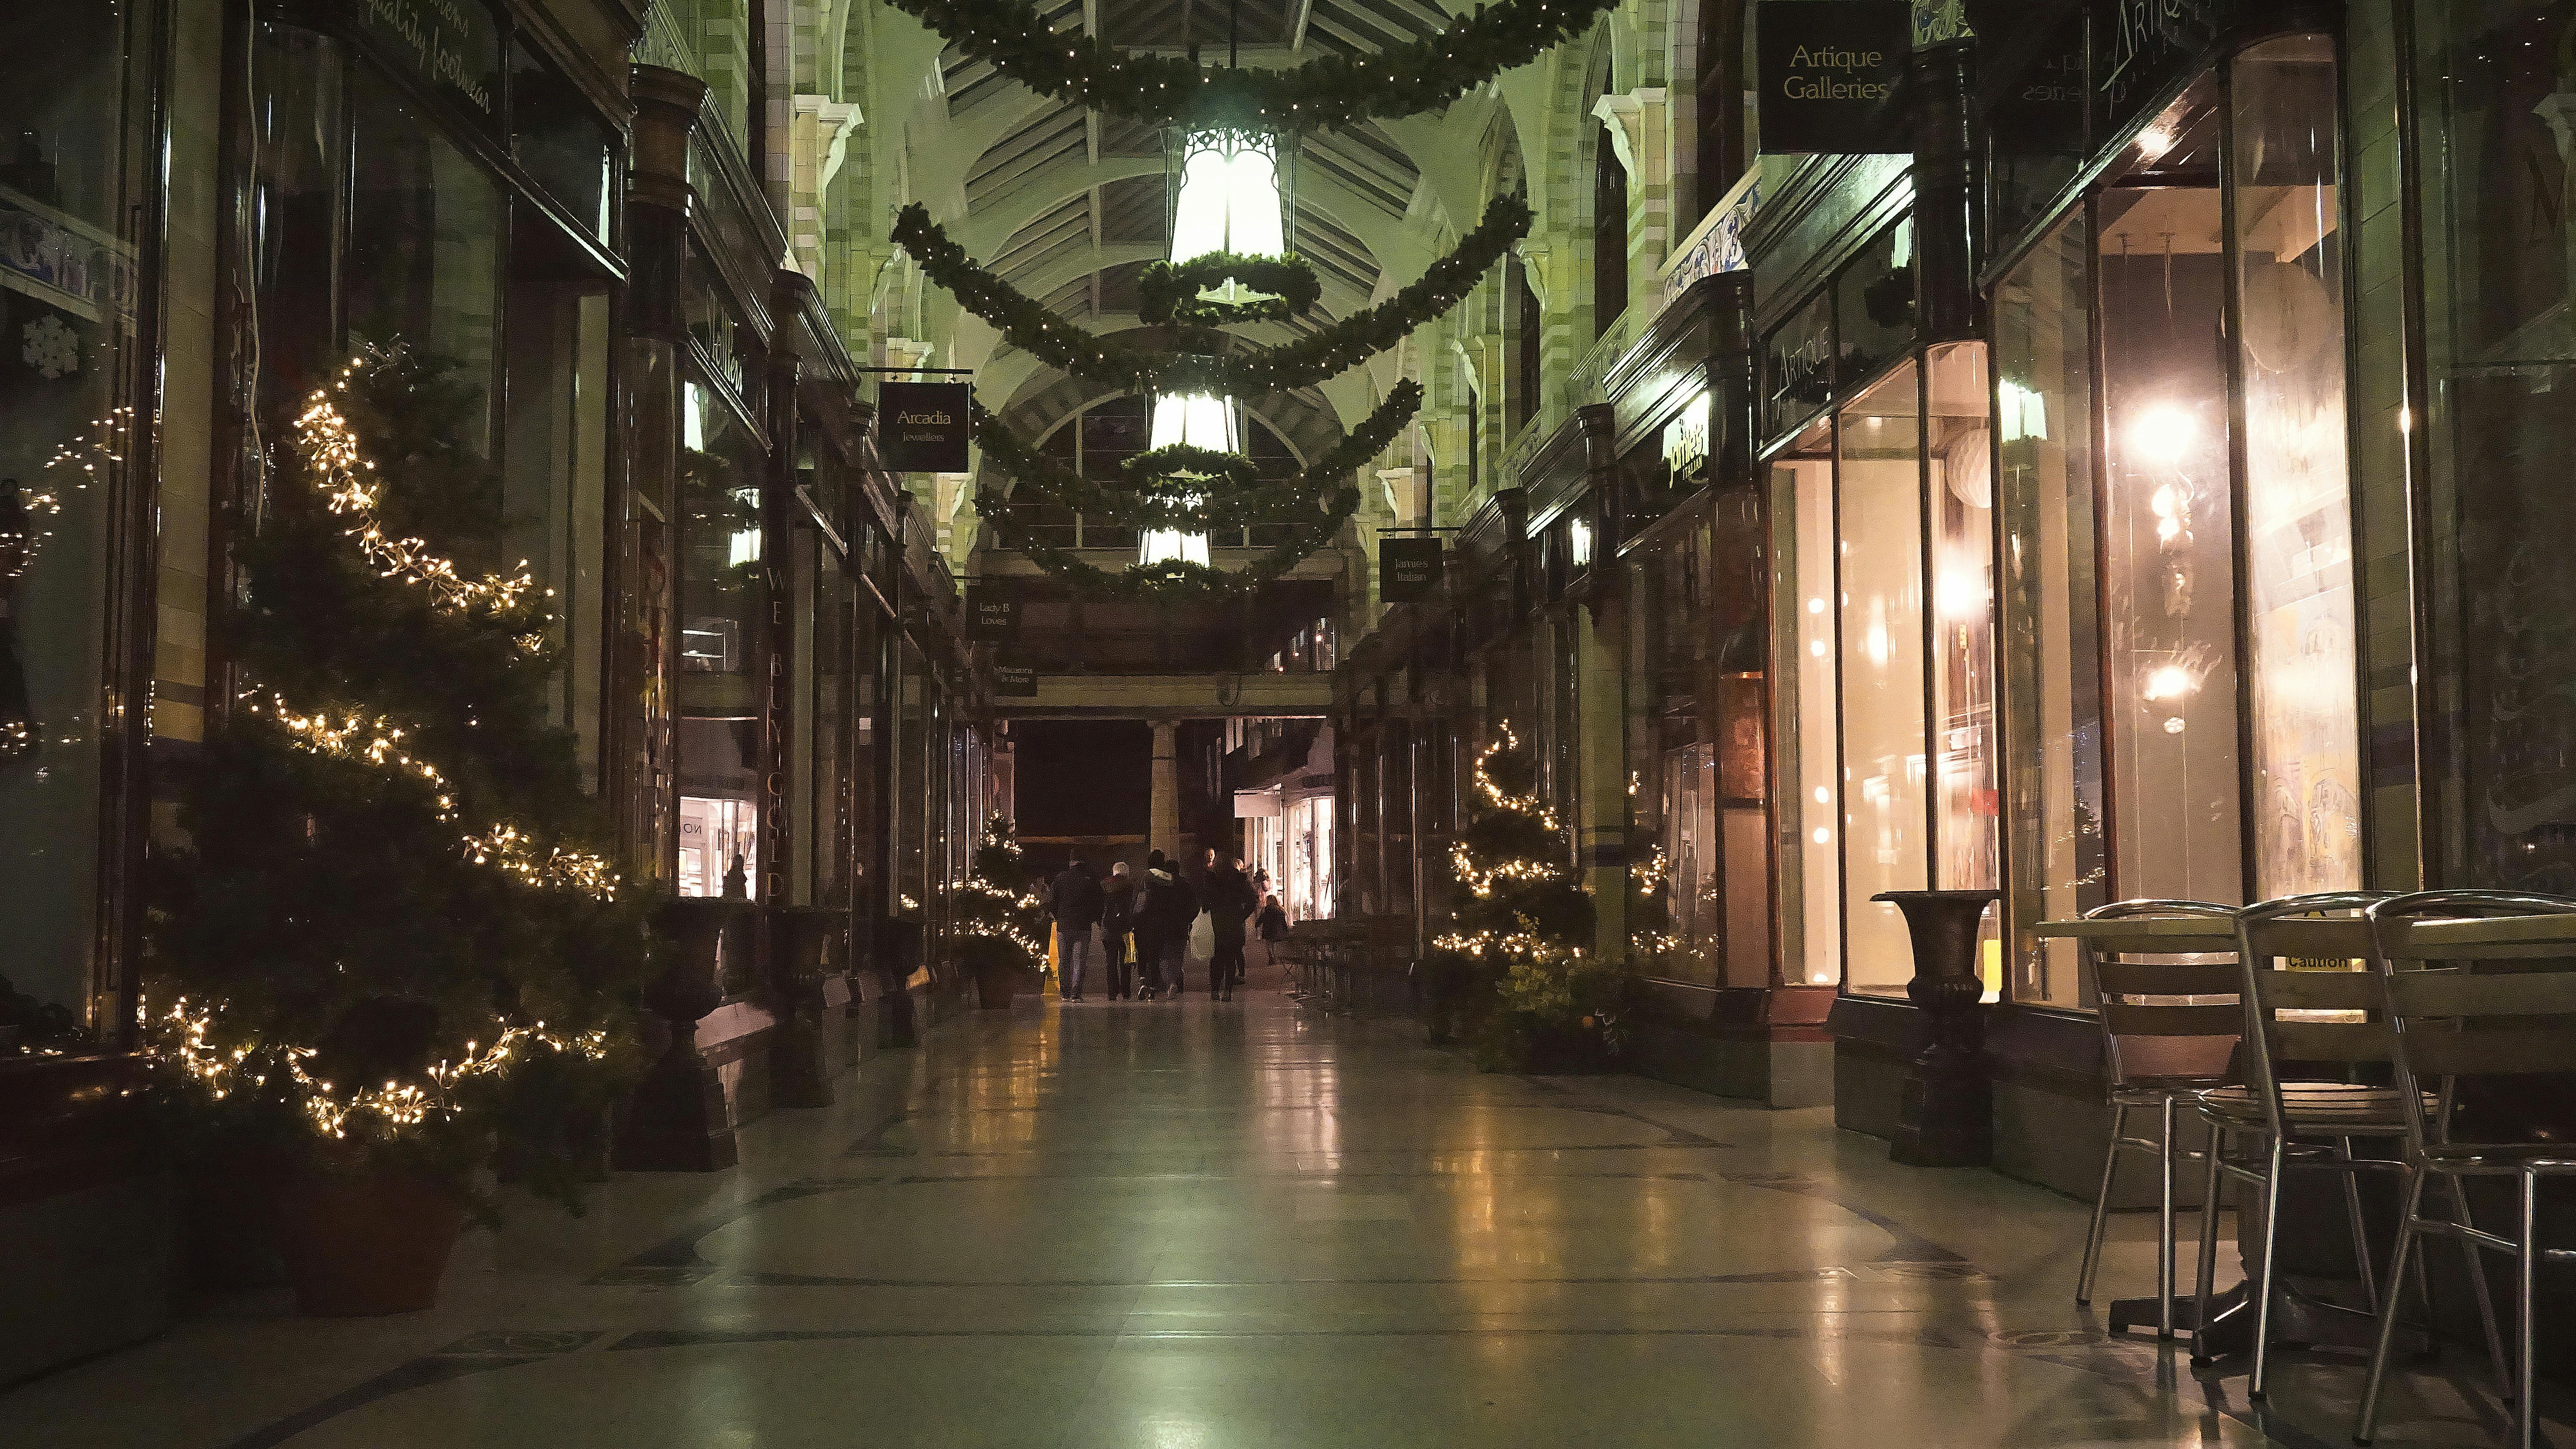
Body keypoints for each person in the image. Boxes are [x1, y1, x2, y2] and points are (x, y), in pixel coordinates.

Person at [1138, 849, 1197, 1001]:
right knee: (1177, 955)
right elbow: (1194, 905)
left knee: (1159, 956)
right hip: (1180, 926)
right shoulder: (1184, 884)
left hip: (1159, 925)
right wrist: (1188, 919)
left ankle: (1157, 983)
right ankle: (1175, 982)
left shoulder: (1153, 882)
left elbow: (1147, 904)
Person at [1048, 857, 1104, 1002]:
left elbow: (1052, 902)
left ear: (1071, 864)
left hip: (1064, 925)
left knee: (1064, 961)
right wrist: (1092, 919)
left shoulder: (1061, 878)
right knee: (1080, 961)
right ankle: (1076, 994)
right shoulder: (1091, 880)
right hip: (1083, 926)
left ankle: (1065, 993)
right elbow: (1099, 903)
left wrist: (1059, 917)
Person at [1205, 852, 1258, 1001]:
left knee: (1217, 958)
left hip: (1217, 924)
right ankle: (1227, 990)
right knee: (1230, 958)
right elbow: (1252, 901)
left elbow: (1205, 900)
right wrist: (1242, 916)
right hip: (1235, 924)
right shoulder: (1239, 880)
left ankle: (1215, 990)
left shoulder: (1212, 880)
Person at [1099, 861, 1138, 1000]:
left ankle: (1112, 992)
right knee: (1126, 961)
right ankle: (1126, 991)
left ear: (1114, 872)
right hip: (1127, 928)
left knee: (1111, 962)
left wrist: (1100, 921)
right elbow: (1135, 906)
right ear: (1126, 873)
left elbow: (1100, 906)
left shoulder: (1104, 885)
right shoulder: (1131, 885)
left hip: (1108, 928)